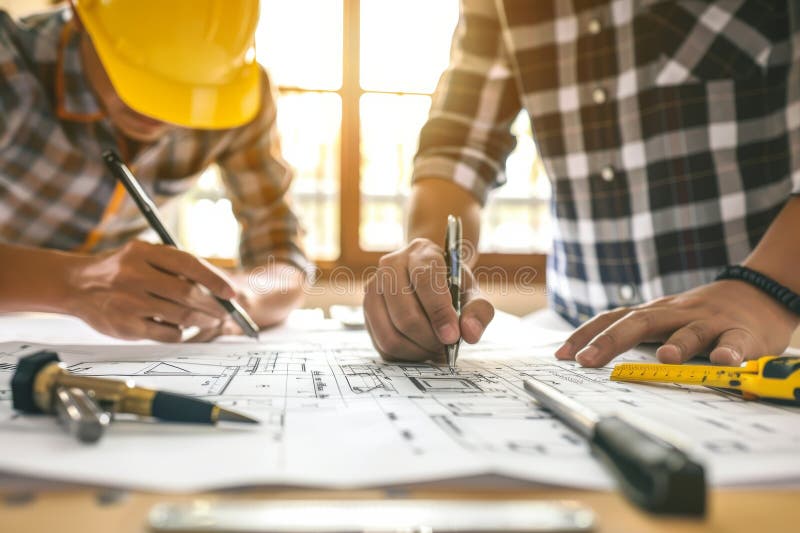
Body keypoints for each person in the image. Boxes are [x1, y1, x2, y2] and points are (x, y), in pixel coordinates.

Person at [364, 0, 800, 368]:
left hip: (772, 338)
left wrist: (769, 287)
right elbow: (456, 151)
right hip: (577, 347)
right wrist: (430, 269)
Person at [0, 0, 309, 342]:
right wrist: (75, 282)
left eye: (188, 89)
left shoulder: (236, 94)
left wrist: (239, 296)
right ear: (80, 15)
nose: (158, 109)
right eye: (136, 72)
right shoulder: (9, 64)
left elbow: (284, 258)